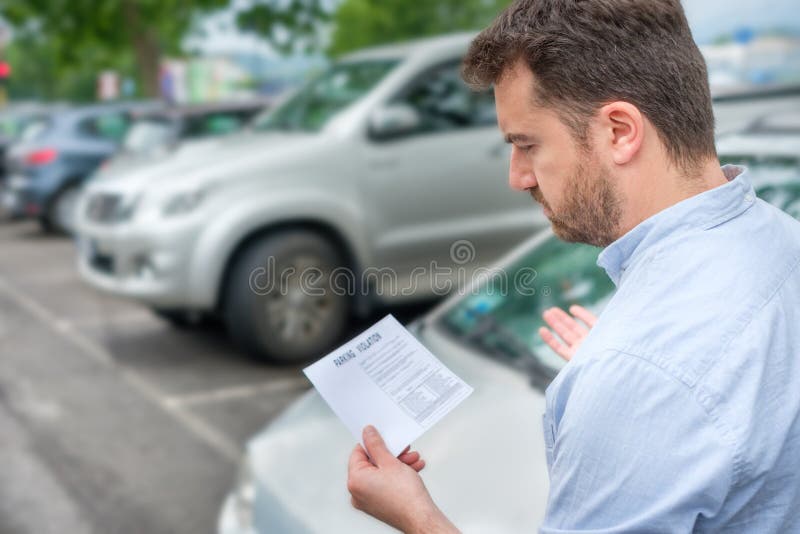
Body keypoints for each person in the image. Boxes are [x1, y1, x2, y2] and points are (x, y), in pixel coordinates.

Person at [347, 0, 800, 532]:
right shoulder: (781, 236)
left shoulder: (637, 372)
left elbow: (667, 377)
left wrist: (416, 516)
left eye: (526, 144)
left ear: (619, 131)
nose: (517, 176)